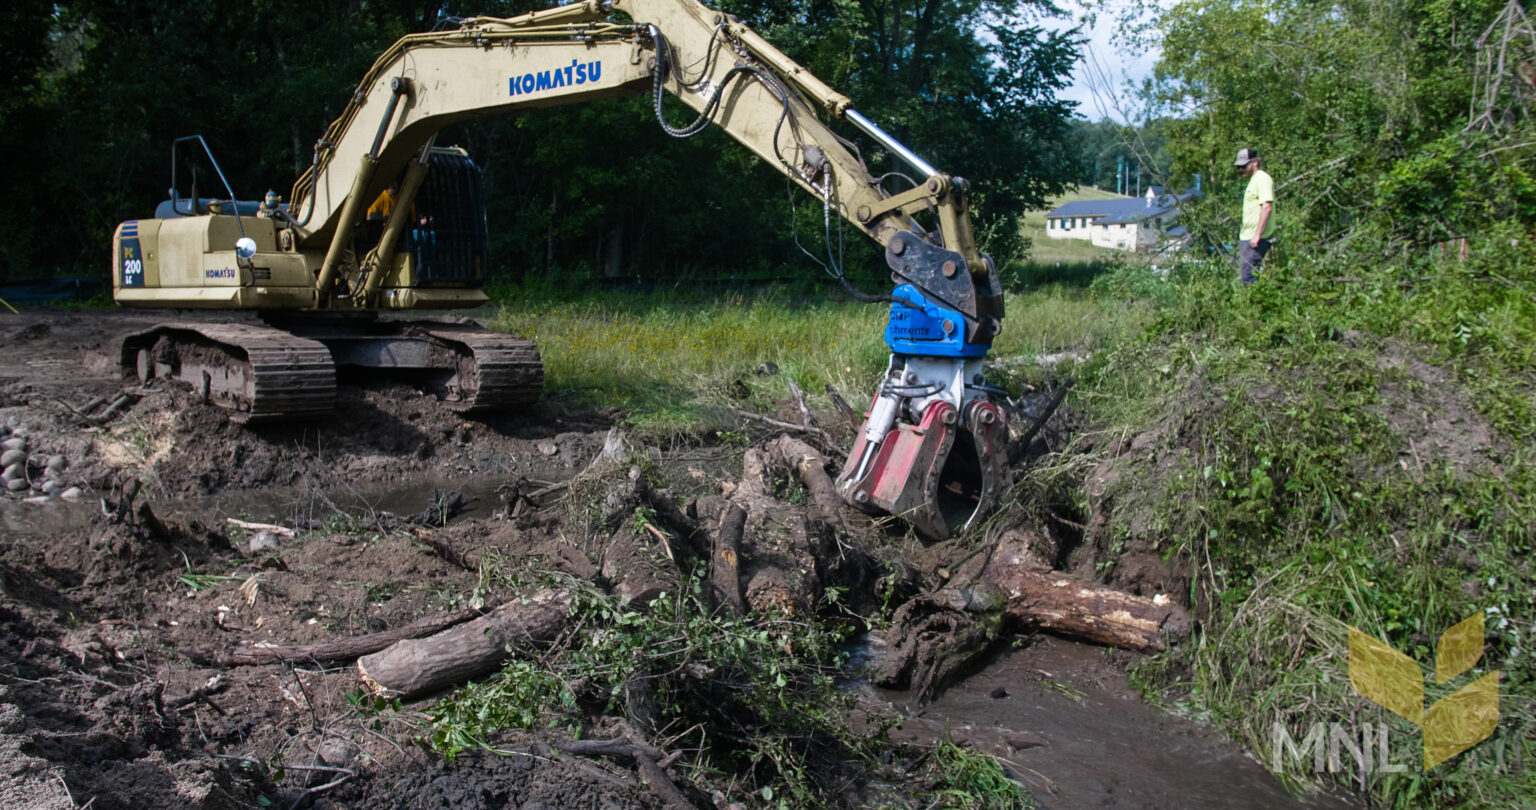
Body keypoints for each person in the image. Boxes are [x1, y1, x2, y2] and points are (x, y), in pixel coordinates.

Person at [1234, 147, 1275, 284]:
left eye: (1244, 166)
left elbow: (1267, 207)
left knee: (1247, 278)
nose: (1241, 170)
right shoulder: (1255, 180)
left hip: (1256, 238)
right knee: (1249, 276)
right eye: (1239, 167)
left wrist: (1258, 234)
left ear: (1255, 162)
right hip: (1248, 236)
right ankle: (1258, 300)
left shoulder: (1262, 179)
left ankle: (1259, 302)